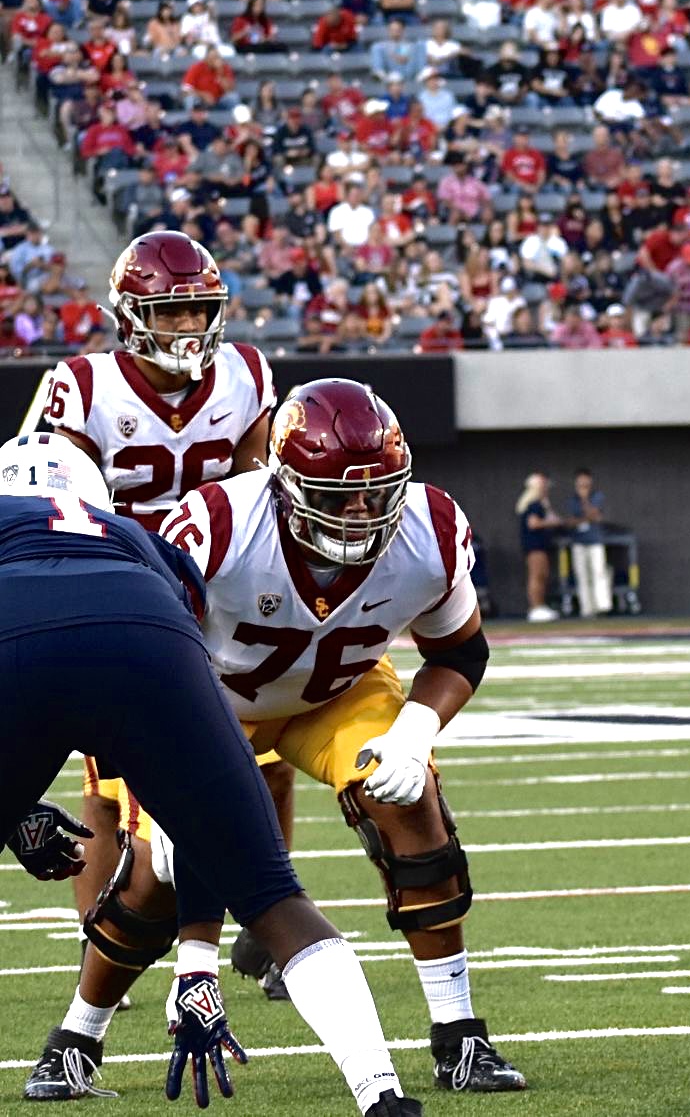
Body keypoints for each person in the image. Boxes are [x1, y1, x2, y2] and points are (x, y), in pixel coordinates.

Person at [28, 381, 526, 1097]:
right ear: (285, 484)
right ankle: (77, 1037)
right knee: (154, 876)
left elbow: (459, 653)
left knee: (413, 807)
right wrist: (195, 951)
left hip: (336, 692)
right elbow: (143, 650)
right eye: (336, 496)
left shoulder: (432, 526)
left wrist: (415, 734)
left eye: (375, 493)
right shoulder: (219, 523)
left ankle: (461, 1036)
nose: (360, 514)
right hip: (194, 701)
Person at [0, 434, 418, 1117]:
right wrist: (195, 956)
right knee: (275, 896)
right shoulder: (134, 534)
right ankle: (384, 1098)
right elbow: (163, 681)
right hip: (147, 629)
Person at [33, 229, 299, 1006]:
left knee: (264, 759)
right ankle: (102, 938)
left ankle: (267, 916)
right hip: (124, 584)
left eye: (198, 311)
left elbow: (268, 483)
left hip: (219, 586)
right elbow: (61, 493)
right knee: (113, 771)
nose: (188, 328)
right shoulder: (81, 385)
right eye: (171, 312)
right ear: (130, 315)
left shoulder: (246, 372)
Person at [567, 467, 609, 617]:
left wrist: (585, 500)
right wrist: (586, 518)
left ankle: (602, 607)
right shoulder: (572, 499)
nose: (583, 483)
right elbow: (570, 522)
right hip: (579, 541)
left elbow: (595, 514)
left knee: (599, 572)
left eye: (586, 480)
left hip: (595, 540)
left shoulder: (597, 496)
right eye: (580, 480)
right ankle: (587, 609)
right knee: (582, 575)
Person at [516, 472, 558, 621]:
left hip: (539, 545)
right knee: (536, 576)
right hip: (535, 545)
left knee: (542, 575)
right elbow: (533, 523)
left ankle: (540, 605)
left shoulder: (540, 504)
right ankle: (535, 607)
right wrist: (552, 522)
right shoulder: (534, 504)